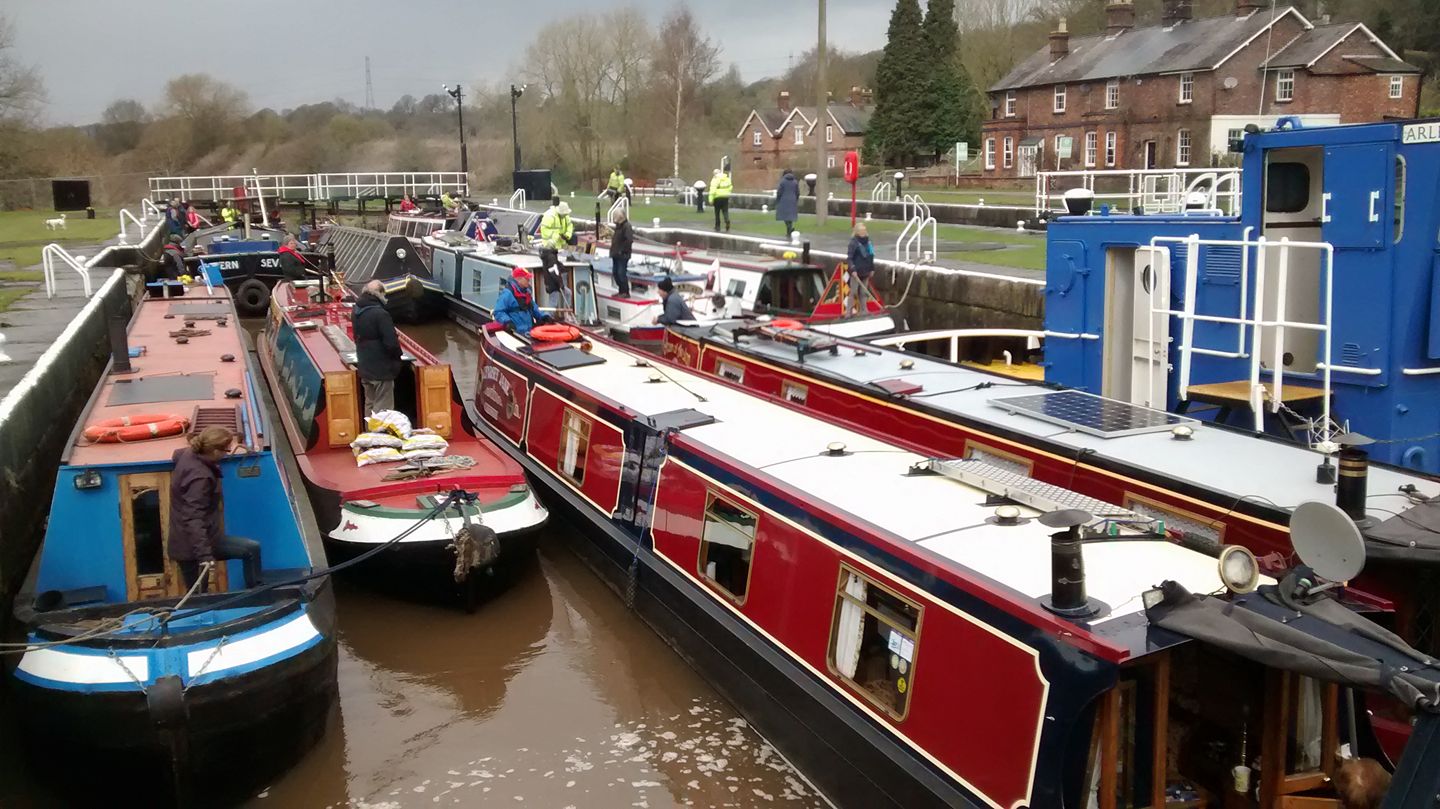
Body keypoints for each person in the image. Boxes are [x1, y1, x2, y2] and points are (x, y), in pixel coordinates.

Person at [169, 426, 263, 592]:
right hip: (193, 548)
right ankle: (256, 593)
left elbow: (175, 454)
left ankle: (256, 590)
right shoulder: (200, 478)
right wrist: (204, 555)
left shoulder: (187, 453)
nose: (227, 454)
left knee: (251, 548)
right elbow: (193, 517)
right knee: (199, 594)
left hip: (202, 539)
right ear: (213, 451)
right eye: (225, 450)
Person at [352, 279, 403, 415]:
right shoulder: (381, 314)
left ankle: (369, 433)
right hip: (381, 368)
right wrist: (397, 360)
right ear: (379, 293)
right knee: (383, 408)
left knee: (370, 402)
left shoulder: (356, 310)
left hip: (365, 365)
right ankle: (380, 435)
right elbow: (391, 343)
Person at [538, 201, 575, 310]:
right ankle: (560, 315)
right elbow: (544, 231)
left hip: (559, 247)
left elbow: (569, 226)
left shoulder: (566, 217)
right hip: (552, 246)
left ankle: (561, 314)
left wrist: (567, 236)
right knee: (554, 301)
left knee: (556, 299)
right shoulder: (549, 216)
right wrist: (561, 284)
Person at [493, 267, 550, 336]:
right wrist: (507, 322)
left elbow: (534, 308)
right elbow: (498, 311)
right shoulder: (508, 294)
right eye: (526, 278)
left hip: (529, 332)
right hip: (515, 333)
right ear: (519, 279)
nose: (529, 280)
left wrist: (544, 316)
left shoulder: (526, 293)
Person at [846, 223, 876, 315]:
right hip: (856, 272)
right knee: (853, 292)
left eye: (864, 230)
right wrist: (853, 269)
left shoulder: (868, 243)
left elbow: (871, 256)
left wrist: (872, 269)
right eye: (861, 231)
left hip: (866, 271)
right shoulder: (853, 243)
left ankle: (864, 310)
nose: (863, 232)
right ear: (857, 232)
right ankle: (849, 312)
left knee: (864, 292)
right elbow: (849, 258)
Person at [610, 209, 634, 298]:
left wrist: (622, 251)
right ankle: (621, 290)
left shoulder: (626, 226)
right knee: (615, 273)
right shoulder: (618, 226)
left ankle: (625, 292)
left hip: (622, 255)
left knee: (621, 273)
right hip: (616, 254)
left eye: (615, 216)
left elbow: (629, 240)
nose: (614, 218)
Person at [775, 169, 800, 238]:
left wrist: (778, 200)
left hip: (784, 200)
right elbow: (797, 192)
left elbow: (779, 192)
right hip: (793, 200)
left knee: (785, 216)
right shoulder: (795, 182)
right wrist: (796, 199)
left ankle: (789, 230)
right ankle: (790, 229)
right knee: (790, 216)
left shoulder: (782, 182)